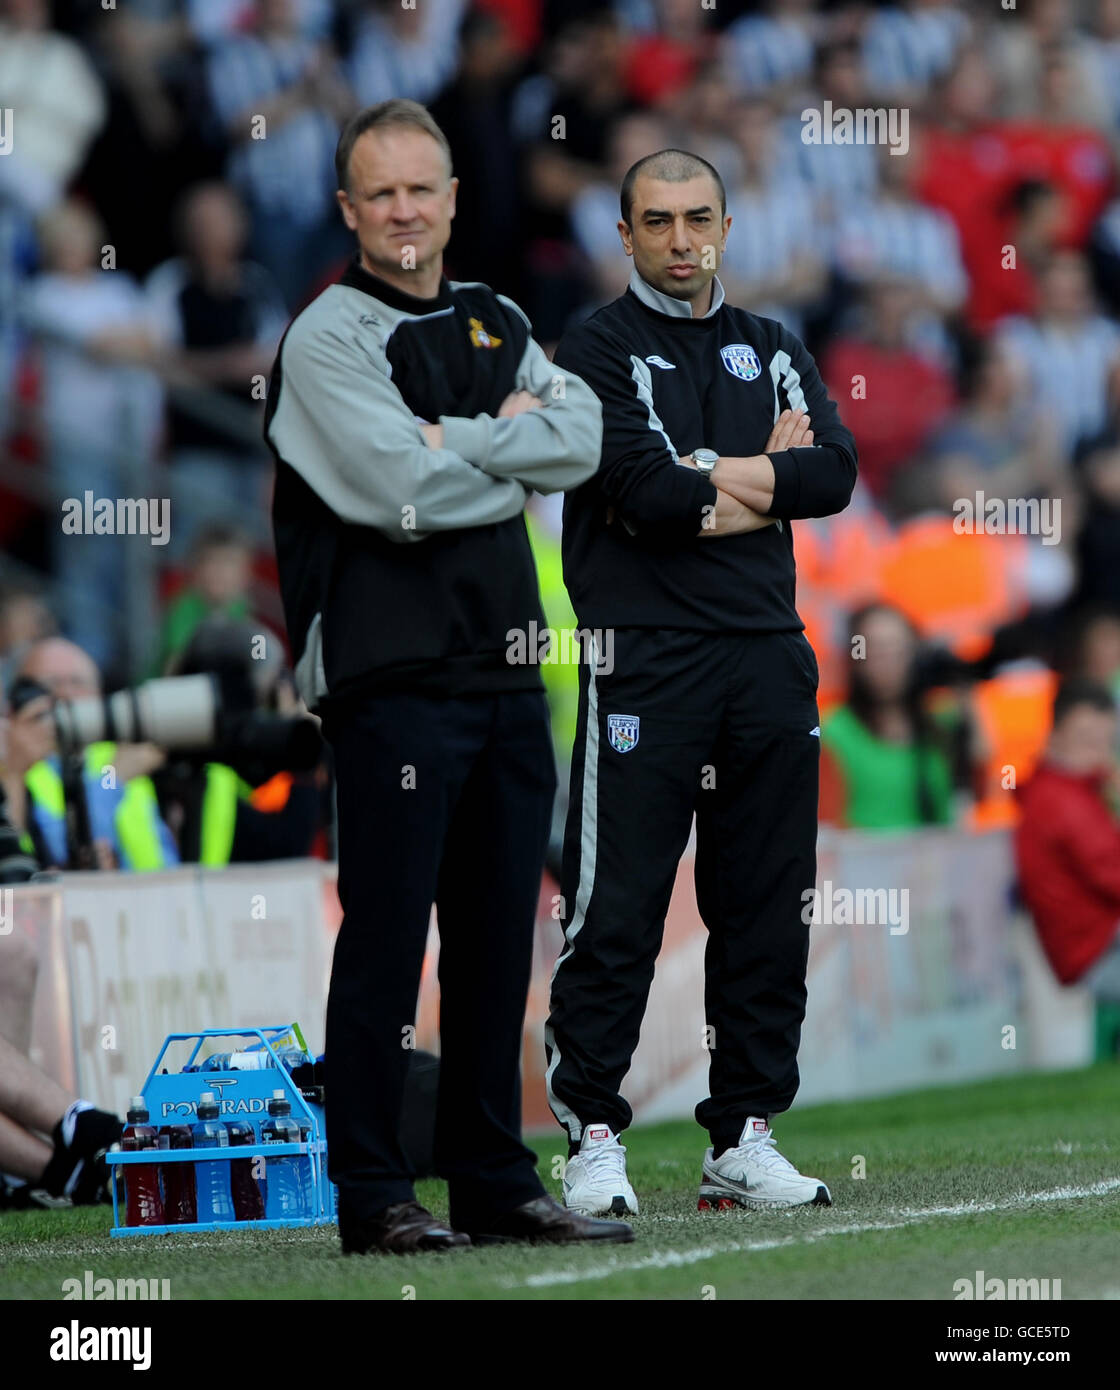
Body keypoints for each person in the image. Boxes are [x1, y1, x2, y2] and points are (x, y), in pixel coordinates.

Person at [265, 99, 624, 1254]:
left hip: (506, 670)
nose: (404, 209)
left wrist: (447, 440)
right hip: (389, 674)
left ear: (454, 198)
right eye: (381, 192)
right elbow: (387, 493)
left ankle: (492, 1178)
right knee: (387, 938)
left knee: (489, 941)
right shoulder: (327, 335)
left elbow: (579, 442)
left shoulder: (496, 315)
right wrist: (494, 445)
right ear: (347, 209)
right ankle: (371, 1193)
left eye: (422, 188)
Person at [545, 147, 857, 1218]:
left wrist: (704, 476)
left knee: (766, 905)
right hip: (644, 654)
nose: (680, 240)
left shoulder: (771, 344)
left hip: (768, 651)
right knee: (619, 905)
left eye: (697, 218)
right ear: (623, 234)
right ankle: (589, 1134)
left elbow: (836, 475)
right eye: (657, 221)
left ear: (726, 223)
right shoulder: (592, 346)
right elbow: (637, 490)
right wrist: (762, 481)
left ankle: (744, 1133)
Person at [1014, 677, 1120, 994]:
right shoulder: (1063, 800)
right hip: (1096, 953)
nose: (1097, 752)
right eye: (1085, 739)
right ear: (1054, 736)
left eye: (1105, 741)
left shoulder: (1067, 791)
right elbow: (1113, 875)